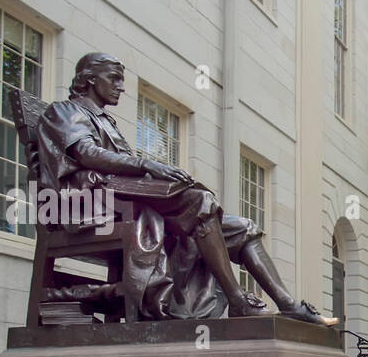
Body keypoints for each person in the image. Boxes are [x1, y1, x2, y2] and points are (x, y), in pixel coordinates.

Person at [37, 52, 335, 324]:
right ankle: (237, 299)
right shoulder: (64, 111)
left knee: (242, 228)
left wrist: (152, 172)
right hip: (90, 208)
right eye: (113, 79)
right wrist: (147, 165)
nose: (121, 87)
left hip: (124, 203)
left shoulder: (106, 121)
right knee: (199, 201)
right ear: (89, 79)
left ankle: (288, 303)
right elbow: (87, 155)